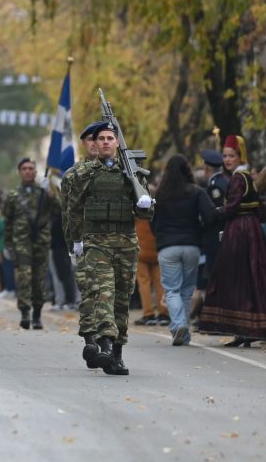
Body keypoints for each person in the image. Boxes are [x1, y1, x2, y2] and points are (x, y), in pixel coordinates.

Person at [66, 122, 153, 375]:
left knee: (122, 301)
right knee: (104, 293)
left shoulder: (131, 174)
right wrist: (76, 241)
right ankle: (104, 345)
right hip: (97, 244)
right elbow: (73, 207)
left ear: (117, 143)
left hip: (126, 244)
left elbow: (146, 215)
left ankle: (117, 354)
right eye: (101, 138)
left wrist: (145, 204)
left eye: (109, 138)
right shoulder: (86, 173)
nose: (104, 142)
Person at [198, 136, 266, 346]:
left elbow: (232, 207)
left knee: (237, 278)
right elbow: (257, 207)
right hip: (249, 229)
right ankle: (245, 331)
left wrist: (216, 211)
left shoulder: (238, 177)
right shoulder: (246, 175)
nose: (227, 159)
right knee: (250, 278)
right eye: (225, 156)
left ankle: (245, 330)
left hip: (239, 230)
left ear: (240, 156)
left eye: (231, 155)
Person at [151, 154, 217, 347]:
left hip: (167, 247)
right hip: (192, 246)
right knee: (187, 290)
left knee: (171, 290)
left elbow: (152, 222)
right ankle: (184, 332)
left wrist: (160, 238)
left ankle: (179, 325)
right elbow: (211, 215)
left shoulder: (160, 195)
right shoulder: (196, 192)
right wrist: (200, 233)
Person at [60, 121, 102, 366]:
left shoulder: (119, 170)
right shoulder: (74, 175)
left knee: (112, 293)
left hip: (113, 241)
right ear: (85, 144)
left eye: (101, 139)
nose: (96, 144)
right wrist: (72, 244)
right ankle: (91, 339)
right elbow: (67, 213)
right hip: (85, 241)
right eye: (91, 140)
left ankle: (109, 341)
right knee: (89, 291)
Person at [1, 158, 59, 330]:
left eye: (31, 168)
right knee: (24, 277)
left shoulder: (43, 192)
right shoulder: (13, 196)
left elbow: (59, 209)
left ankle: (37, 314)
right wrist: (8, 243)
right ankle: (25, 312)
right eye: (24, 168)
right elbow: (8, 221)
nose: (27, 171)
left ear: (35, 172)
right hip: (21, 242)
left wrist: (49, 191)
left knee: (39, 279)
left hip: (41, 241)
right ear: (20, 172)